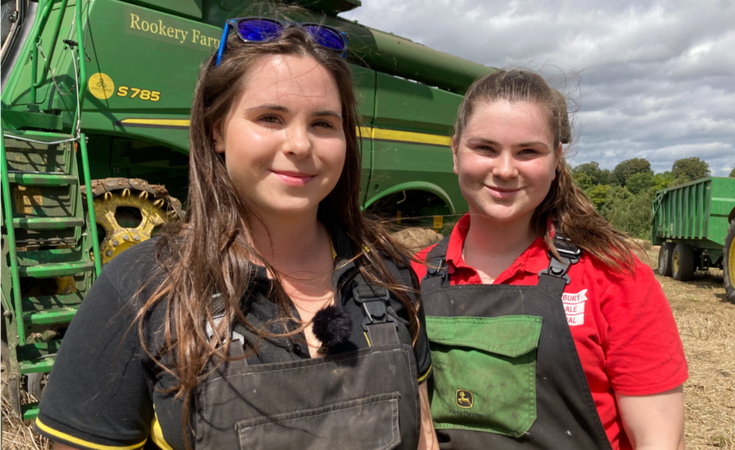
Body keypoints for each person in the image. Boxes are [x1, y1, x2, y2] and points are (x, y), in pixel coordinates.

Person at [34, 17, 438, 450]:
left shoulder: (384, 270)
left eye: (323, 123)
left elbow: (424, 435)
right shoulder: (138, 288)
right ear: (216, 129)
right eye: (270, 117)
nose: (300, 144)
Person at [412, 69, 688, 450]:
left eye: (528, 151)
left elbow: (658, 439)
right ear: (455, 152)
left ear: (557, 158)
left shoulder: (613, 276)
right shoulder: (407, 277)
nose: (505, 170)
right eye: (485, 148)